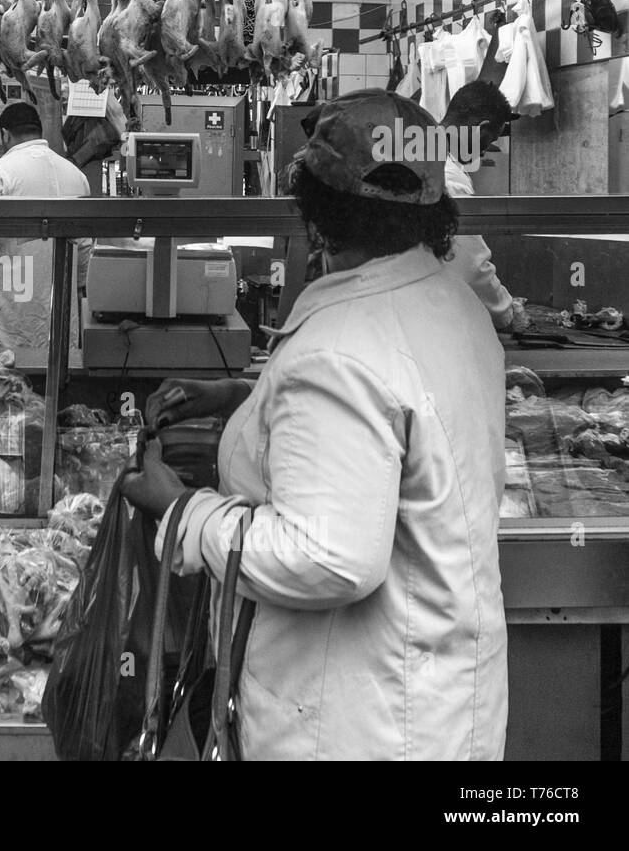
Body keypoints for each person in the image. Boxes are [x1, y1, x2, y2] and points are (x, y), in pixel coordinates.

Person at [124, 89, 508, 760]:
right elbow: (386, 401)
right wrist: (243, 394)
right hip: (436, 691)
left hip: (356, 720)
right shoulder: (451, 304)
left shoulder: (340, 350)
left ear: (318, 209)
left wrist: (181, 511)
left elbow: (325, 557)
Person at [0, 102, 91, 349]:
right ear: (39, 131)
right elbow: (83, 250)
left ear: (5, 134)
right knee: (53, 381)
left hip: (7, 317)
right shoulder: (76, 176)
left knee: (1, 383)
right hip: (57, 316)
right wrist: (78, 287)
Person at [441, 80, 528, 332]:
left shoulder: (416, 150)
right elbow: (469, 264)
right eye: (487, 141)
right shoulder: (449, 178)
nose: (483, 151)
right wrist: (506, 312)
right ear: (481, 129)